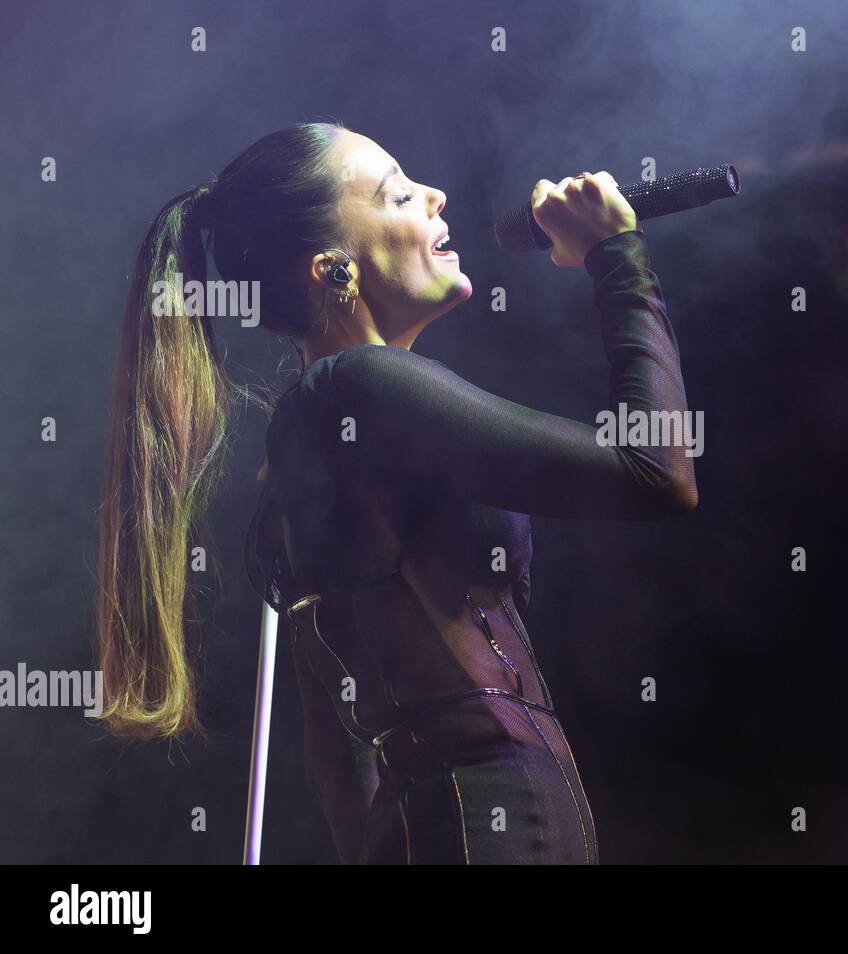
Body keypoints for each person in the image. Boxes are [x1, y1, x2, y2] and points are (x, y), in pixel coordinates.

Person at [96, 122, 697, 864]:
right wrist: (616, 256)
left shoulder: (319, 432)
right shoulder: (362, 386)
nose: (438, 196)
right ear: (333, 269)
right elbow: (657, 472)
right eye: (401, 193)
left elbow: (337, 751)